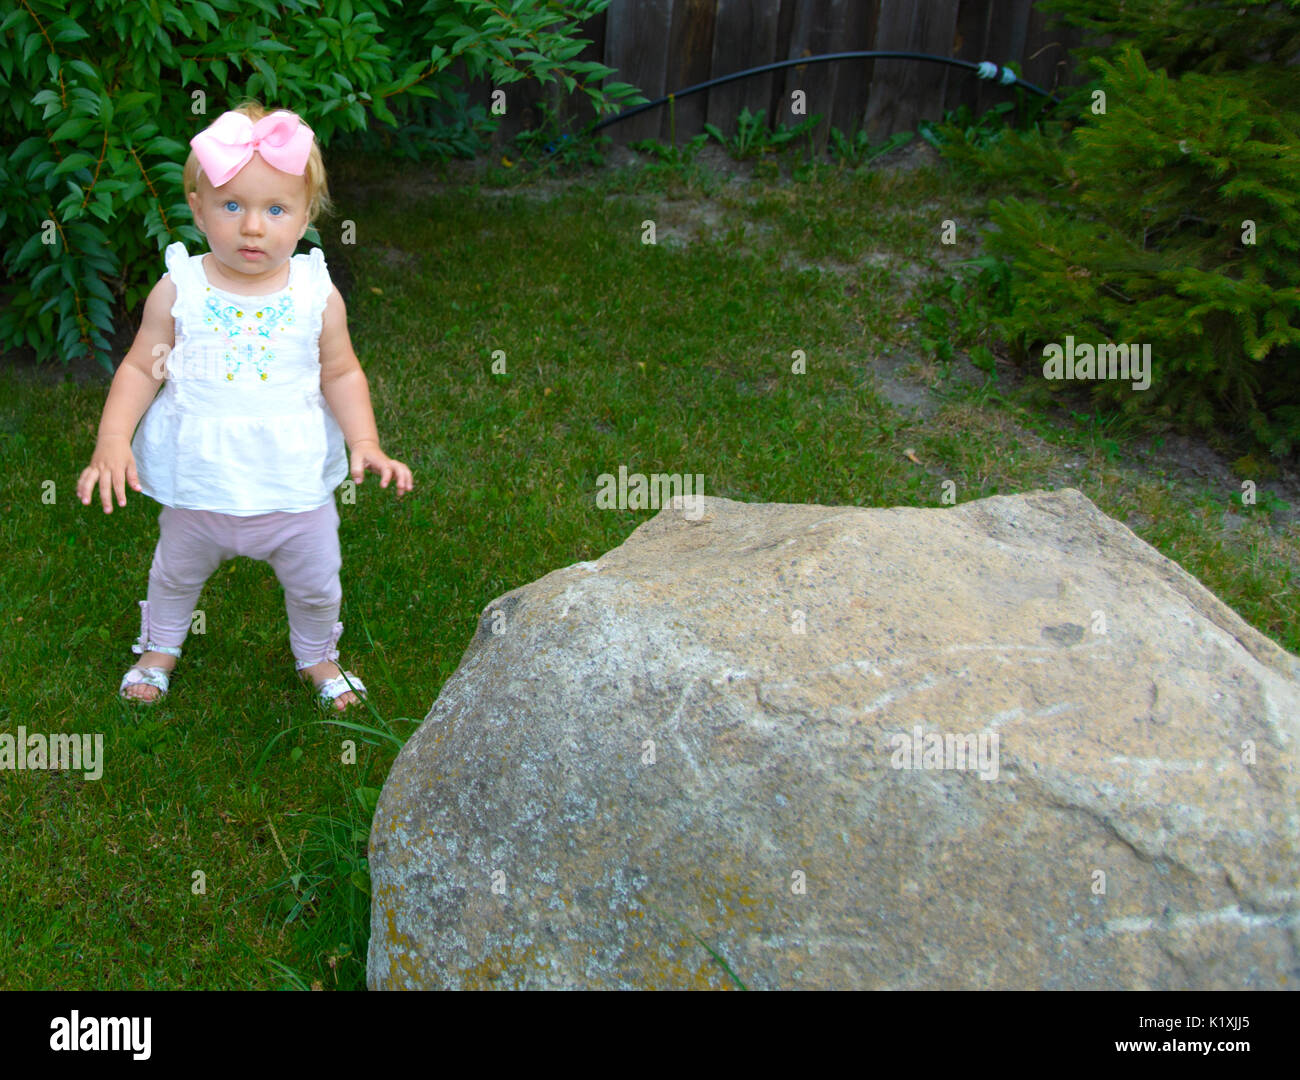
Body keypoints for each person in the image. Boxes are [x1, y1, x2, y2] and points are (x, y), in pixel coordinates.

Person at [76, 102, 413, 711]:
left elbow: (340, 371)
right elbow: (138, 365)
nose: (252, 227)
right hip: (199, 483)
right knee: (175, 573)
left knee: (316, 583)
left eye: (275, 209)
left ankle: (317, 655)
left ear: (306, 216)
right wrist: (113, 438)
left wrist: (365, 441)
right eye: (232, 206)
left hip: (293, 487)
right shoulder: (182, 287)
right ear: (198, 208)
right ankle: (159, 648)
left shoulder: (315, 292)